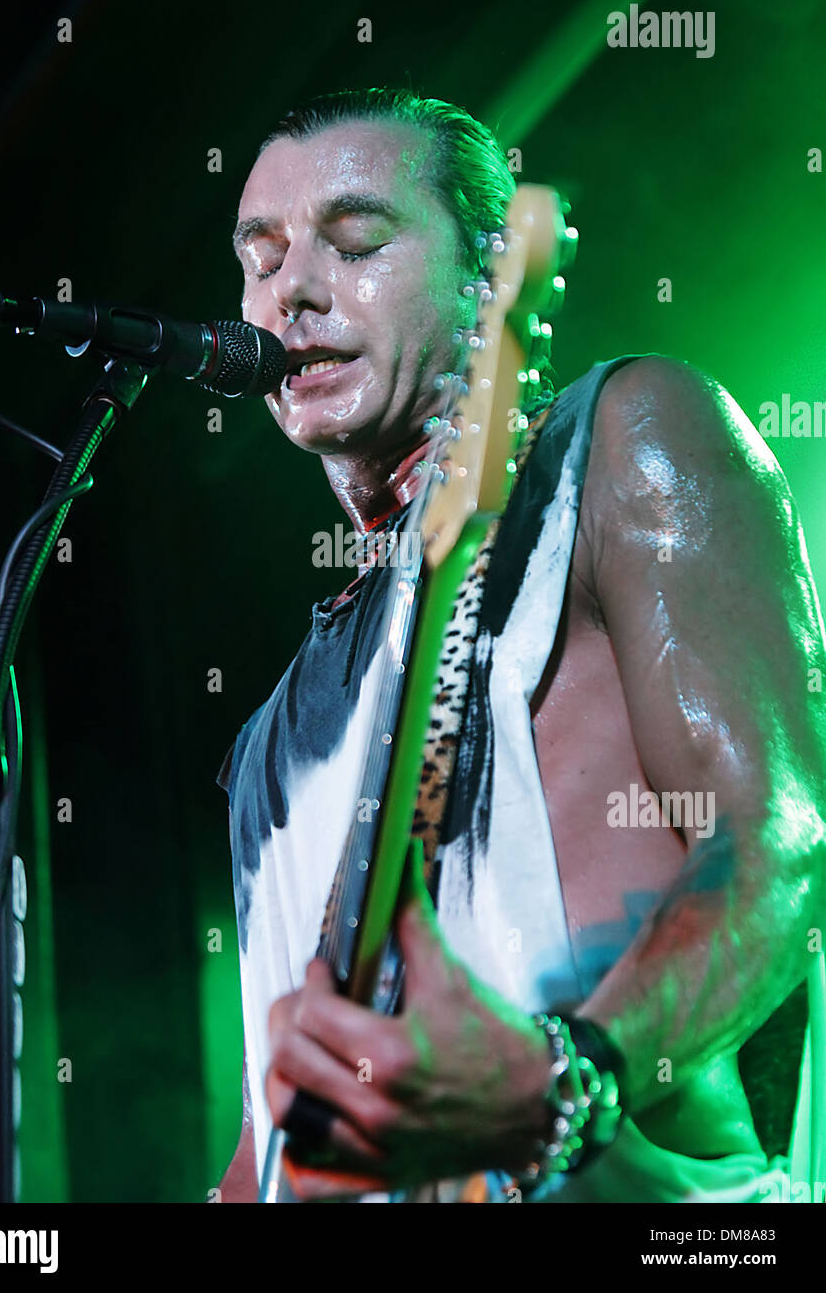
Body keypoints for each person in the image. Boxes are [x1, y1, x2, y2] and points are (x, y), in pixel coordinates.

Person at [215, 88, 825, 1203]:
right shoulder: (266, 743)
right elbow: (279, 1131)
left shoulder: (623, 438)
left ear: (487, 273)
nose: (290, 291)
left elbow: (779, 843)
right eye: (259, 259)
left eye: (353, 243)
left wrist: (562, 1081)